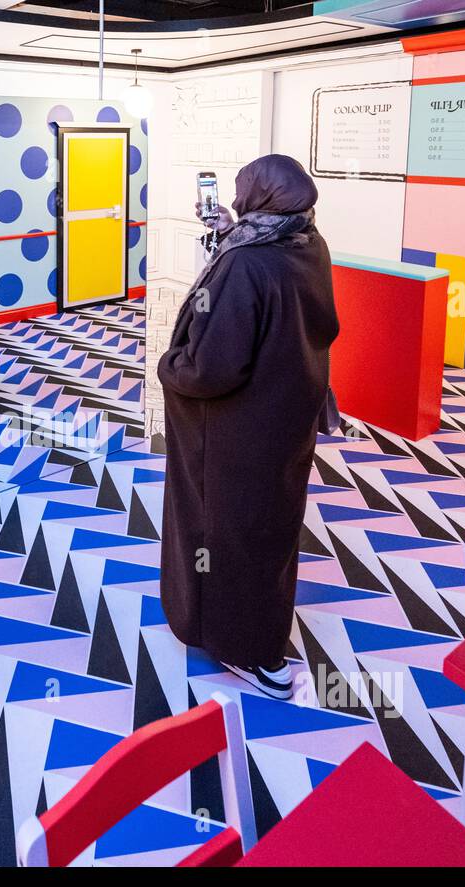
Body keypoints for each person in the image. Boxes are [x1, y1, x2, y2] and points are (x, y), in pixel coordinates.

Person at [157, 154, 339, 700]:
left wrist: (170, 367)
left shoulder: (247, 266)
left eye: (242, 192)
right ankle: (263, 633)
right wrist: (228, 234)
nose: (235, 200)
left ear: (260, 195)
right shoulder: (308, 244)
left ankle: (242, 647)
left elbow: (212, 368)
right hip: (285, 419)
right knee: (269, 529)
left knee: (224, 533)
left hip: (236, 433)